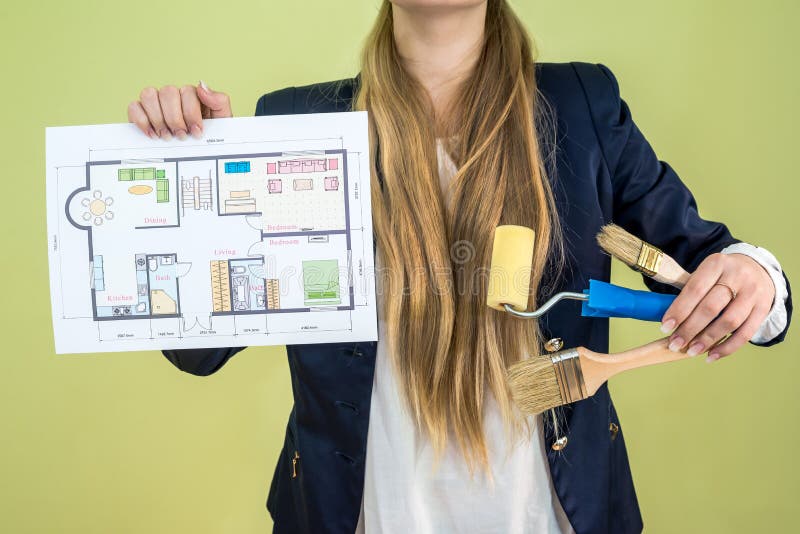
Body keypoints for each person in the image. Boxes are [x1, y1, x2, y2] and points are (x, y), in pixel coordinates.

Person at [127, 1, 792, 533]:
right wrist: (195, 180)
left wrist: (754, 278)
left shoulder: (584, 104)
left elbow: (728, 276)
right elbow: (199, 351)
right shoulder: (294, 123)